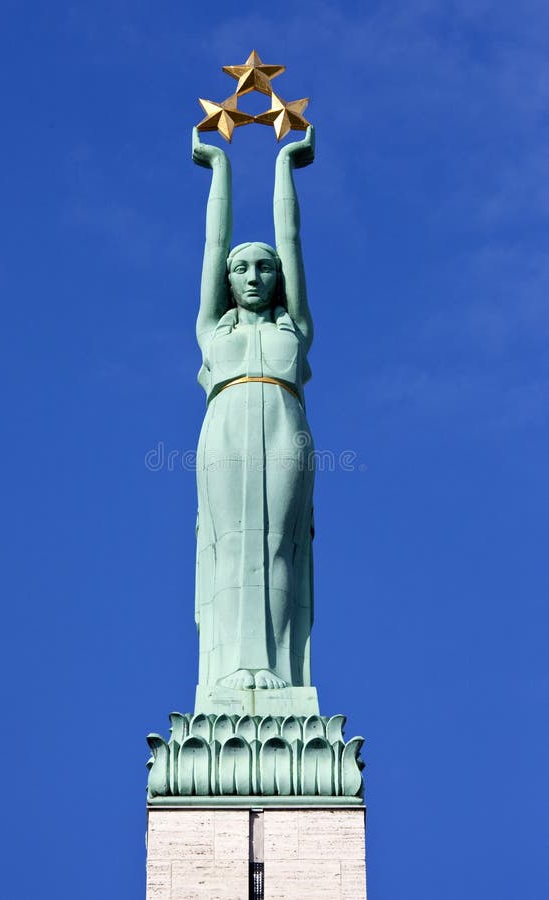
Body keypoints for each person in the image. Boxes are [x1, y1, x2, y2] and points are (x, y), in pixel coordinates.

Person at [192, 125, 316, 691]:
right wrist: (219, 168)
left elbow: (291, 240)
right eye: (241, 269)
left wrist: (285, 164)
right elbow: (212, 245)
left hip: (285, 424)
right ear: (227, 280)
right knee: (232, 541)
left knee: (277, 542)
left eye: (264, 268)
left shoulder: (295, 329)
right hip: (225, 425)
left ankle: (274, 666)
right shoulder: (212, 330)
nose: (253, 277)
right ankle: (233, 667)